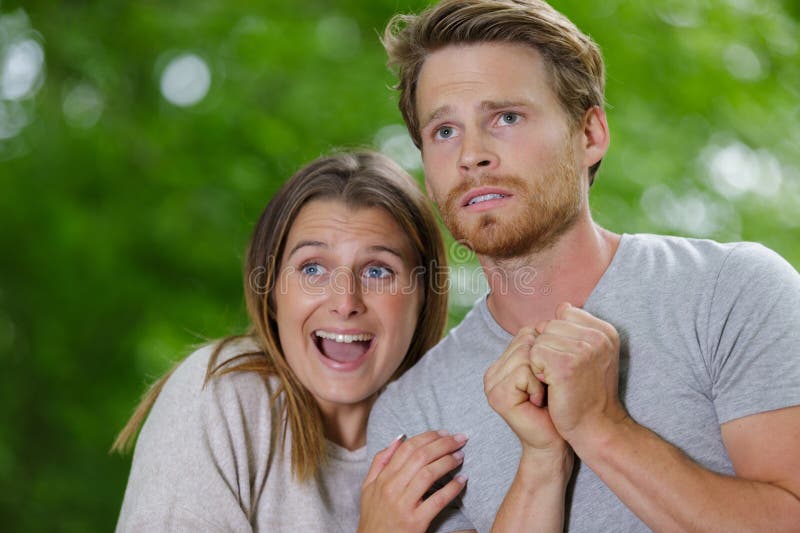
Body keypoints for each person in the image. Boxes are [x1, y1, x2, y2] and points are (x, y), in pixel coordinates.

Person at [366, 1, 800, 531]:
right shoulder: (414, 414)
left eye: (505, 117)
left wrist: (603, 428)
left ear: (589, 135)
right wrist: (542, 462)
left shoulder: (733, 291)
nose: (471, 155)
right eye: (444, 132)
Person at [112, 150, 470, 532]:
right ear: (272, 290)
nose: (345, 302)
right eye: (313, 268)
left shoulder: (455, 428)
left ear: (423, 297)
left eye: (378, 270)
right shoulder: (220, 395)